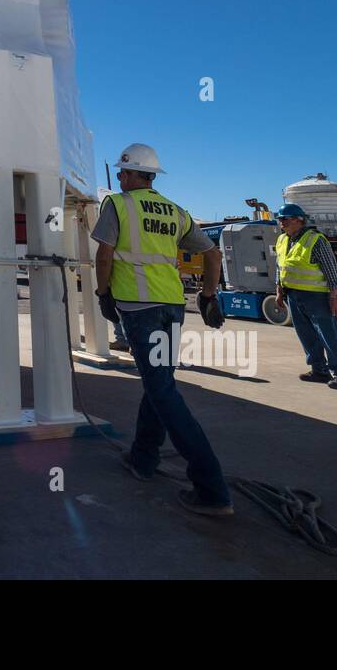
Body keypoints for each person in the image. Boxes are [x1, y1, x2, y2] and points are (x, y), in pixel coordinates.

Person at [92, 143, 232, 517]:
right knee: (159, 382)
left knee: (164, 390)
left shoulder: (117, 205)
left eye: (123, 172)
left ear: (137, 174)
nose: (119, 177)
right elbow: (213, 254)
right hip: (172, 307)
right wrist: (207, 296)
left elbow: (104, 254)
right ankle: (143, 458)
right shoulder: (175, 210)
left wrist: (103, 293)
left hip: (139, 308)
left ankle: (212, 487)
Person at [273, 203, 337, 389]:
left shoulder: (315, 240)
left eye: (285, 219)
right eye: (280, 219)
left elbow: (332, 271)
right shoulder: (282, 240)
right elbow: (280, 266)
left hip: (317, 297)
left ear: (298, 220)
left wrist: (336, 297)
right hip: (293, 295)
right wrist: (279, 290)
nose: (281, 223)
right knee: (306, 335)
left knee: (329, 336)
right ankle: (319, 370)